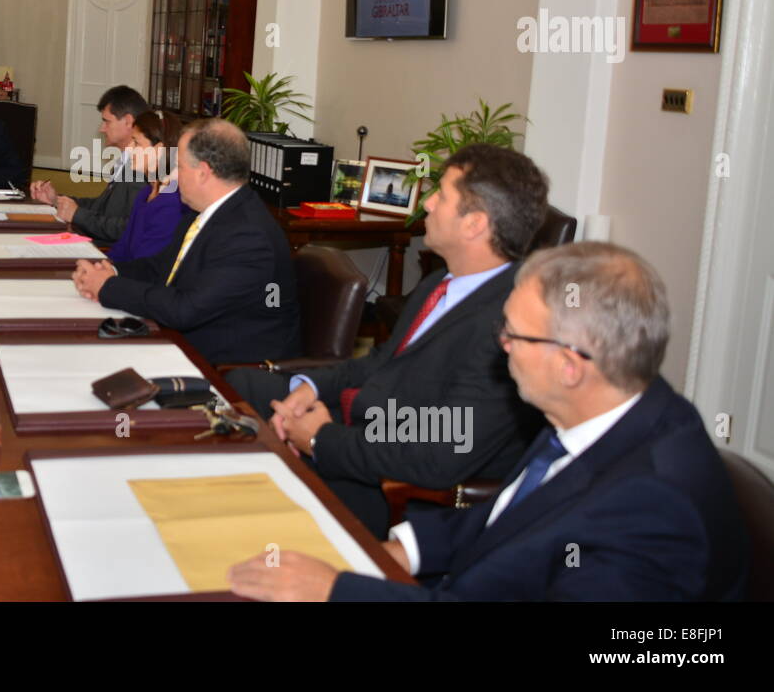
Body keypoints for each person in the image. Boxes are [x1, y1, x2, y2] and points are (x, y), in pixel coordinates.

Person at [228, 242, 749, 601]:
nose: (500, 347)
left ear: (569, 366)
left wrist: (337, 591)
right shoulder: (599, 411)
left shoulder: (654, 509)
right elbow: (510, 516)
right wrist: (397, 550)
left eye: (514, 337)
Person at [226, 144, 548, 536]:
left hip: (392, 486)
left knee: (248, 474)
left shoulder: (510, 323)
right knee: (241, 388)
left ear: (474, 224)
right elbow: (380, 361)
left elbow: (442, 449)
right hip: (365, 425)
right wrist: (308, 388)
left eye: (441, 196)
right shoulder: (440, 283)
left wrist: (322, 441)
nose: (427, 205)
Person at [73, 119, 300, 366]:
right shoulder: (202, 211)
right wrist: (110, 272)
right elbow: (159, 267)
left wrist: (109, 288)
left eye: (179, 167)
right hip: (184, 340)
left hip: (227, 368)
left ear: (203, 172)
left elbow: (185, 310)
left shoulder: (248, 237)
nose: (172, 176)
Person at [30, 85, 148, 243]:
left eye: (107, 121)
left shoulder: (142, 168)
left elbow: (127, 229)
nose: (102, 128)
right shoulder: (126, 160)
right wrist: (56, 200)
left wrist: (77, 215)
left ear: (128, 121)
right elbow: (102, 206)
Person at [107, 110, 187, 263]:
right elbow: (123, 246)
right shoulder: (146, 193)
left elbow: (147, 263)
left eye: (136, 143)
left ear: (158, 150)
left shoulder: (171, 202)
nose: (129, 149)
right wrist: (102, 266)